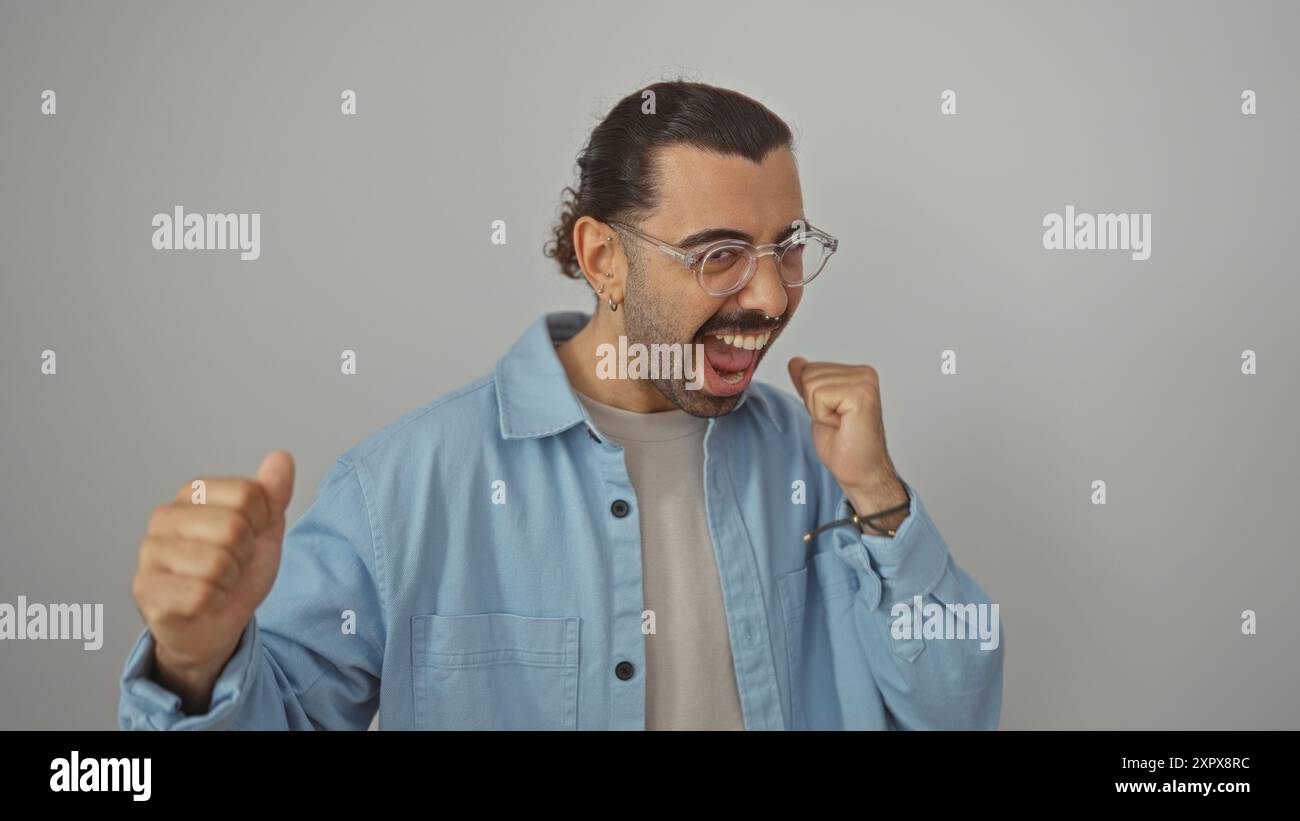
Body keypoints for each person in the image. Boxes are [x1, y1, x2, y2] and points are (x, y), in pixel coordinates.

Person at [118, 80, 1003, 730]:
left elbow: (958, 709)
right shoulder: (405, 489)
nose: (771, 296)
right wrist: (194, 664)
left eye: (787, 248)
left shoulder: (819, 462)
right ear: (603, 258)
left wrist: (881, 498)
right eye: (719, 255)